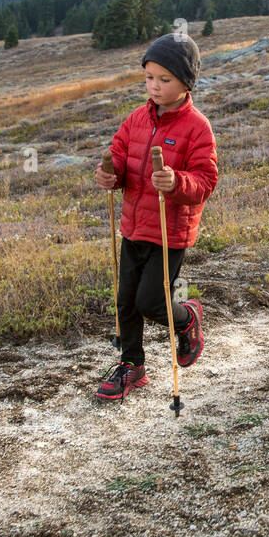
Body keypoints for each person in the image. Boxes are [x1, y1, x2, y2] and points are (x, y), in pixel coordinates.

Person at [93, 32, 218, 401]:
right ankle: (132, 364)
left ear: (185, 82)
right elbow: (119, 158)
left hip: (169, 231)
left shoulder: (197, 127)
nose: (155, 86)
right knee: (125, 301)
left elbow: (206, 180)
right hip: (133, 226)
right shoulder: (135, 120)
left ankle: (188, 319)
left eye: (165, 79)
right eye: (149, 77)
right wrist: (109, 175)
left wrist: (176, 182)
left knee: (150, 302)